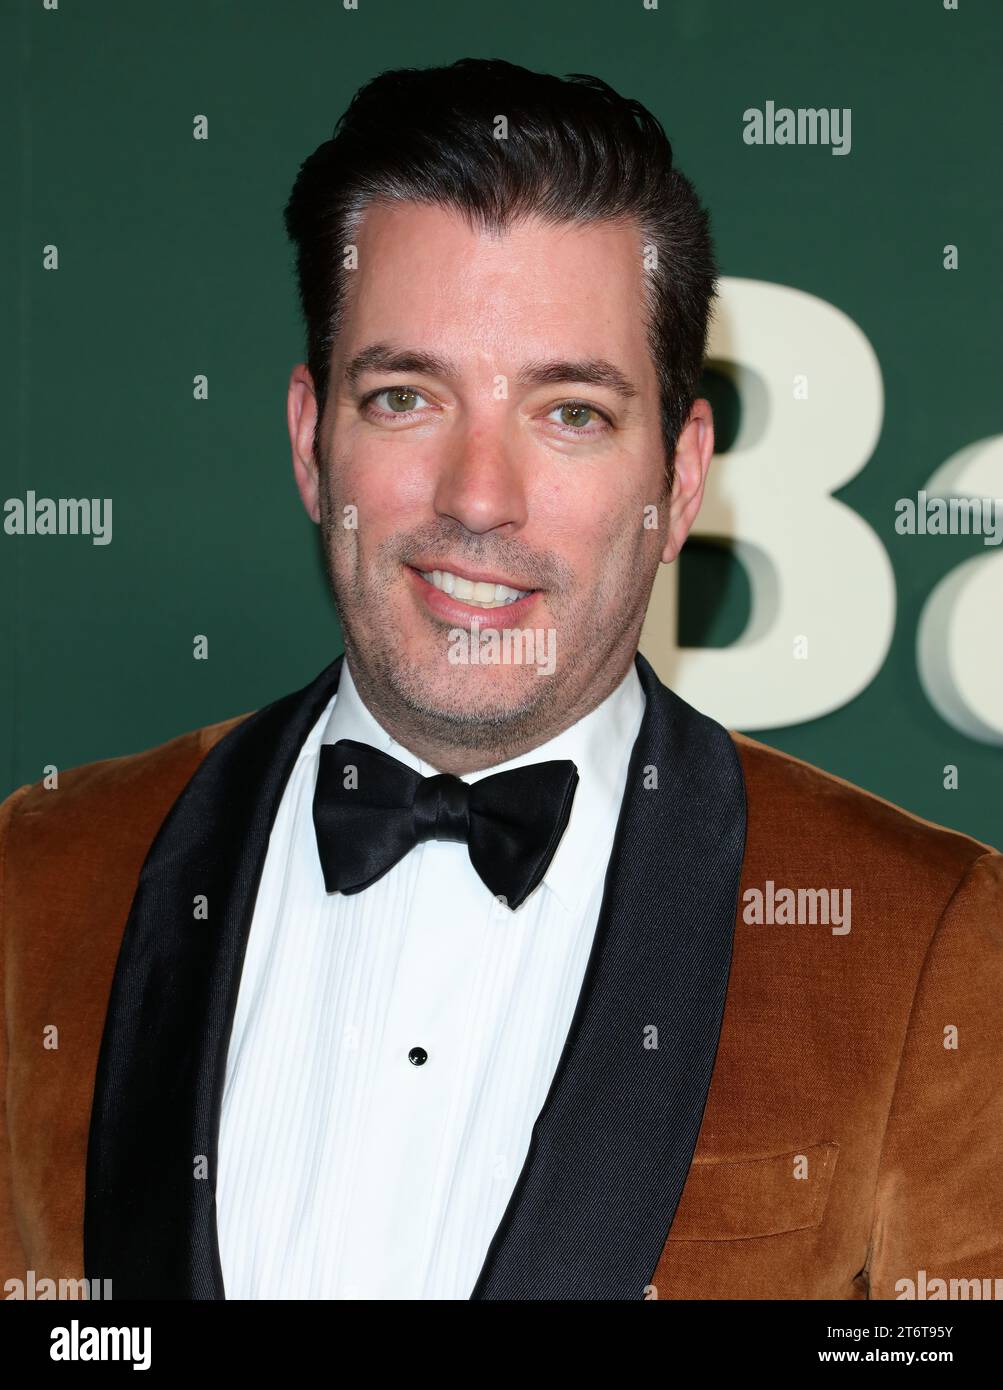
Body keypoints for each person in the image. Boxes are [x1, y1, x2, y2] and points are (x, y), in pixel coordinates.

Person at [1, 58, 1000, 1303]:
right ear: (314, 441)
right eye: (406, 397)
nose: (478, 496)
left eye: (569, 412)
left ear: (680, 477)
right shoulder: (37, 879)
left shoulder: (925, 938)